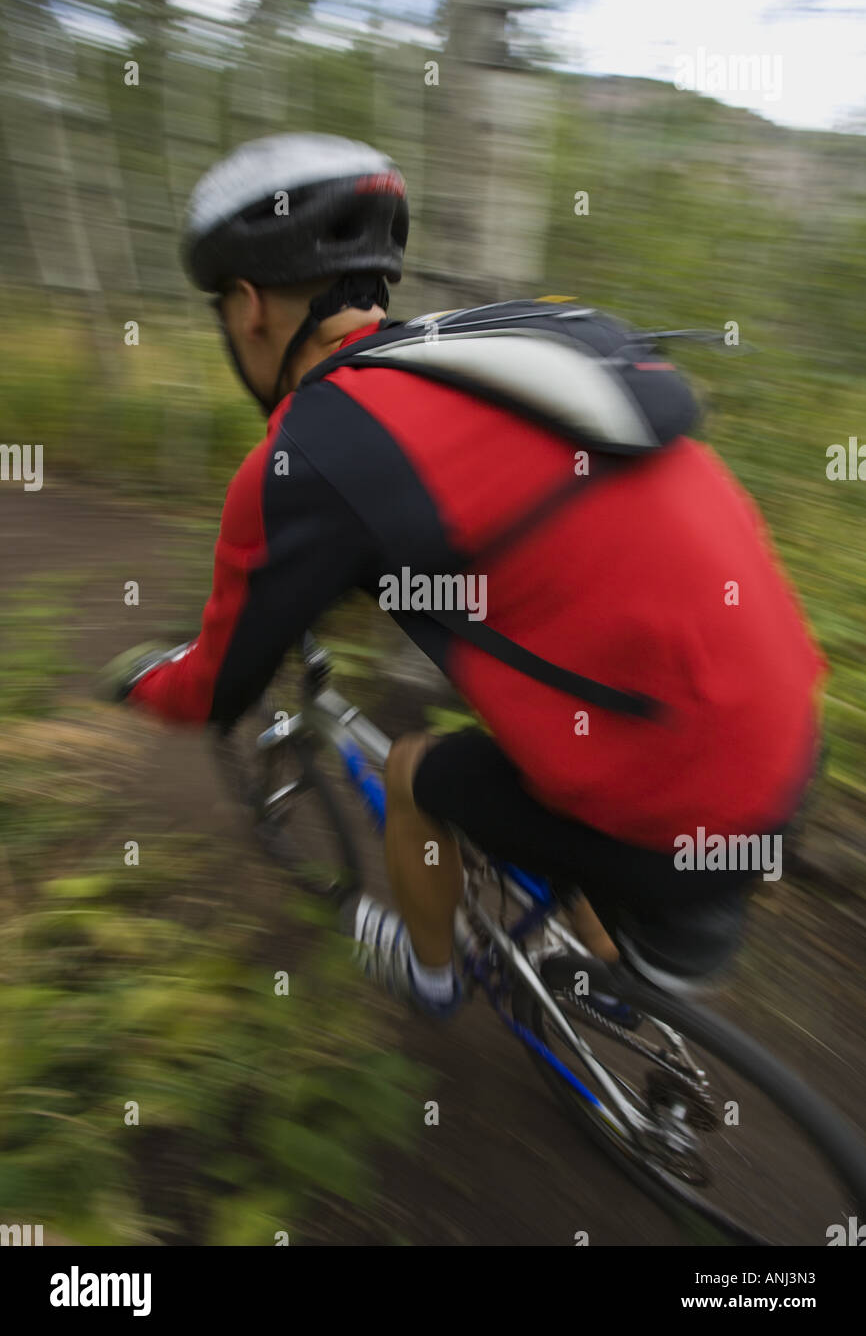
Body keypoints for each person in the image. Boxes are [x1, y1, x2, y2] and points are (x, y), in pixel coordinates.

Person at [101, 132, 826, 1019]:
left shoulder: (310, 456)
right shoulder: (500, 353)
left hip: (679, 808)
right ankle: (613, 982)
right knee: (571, 736)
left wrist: (144, 682)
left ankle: (428, 974)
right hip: (788, 740)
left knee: (412, 770)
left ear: (249, 306)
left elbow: (217, 687)